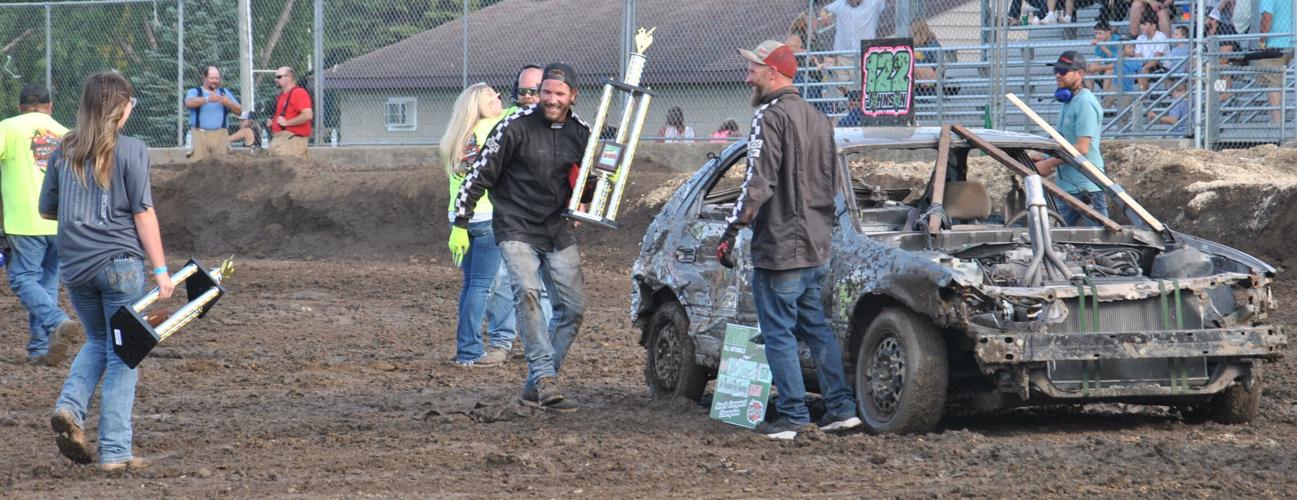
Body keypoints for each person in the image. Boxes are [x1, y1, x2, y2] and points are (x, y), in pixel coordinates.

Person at [718, 40, 861, 440]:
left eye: (754, 69)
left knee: (778, 330)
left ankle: (794, 416)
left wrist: (731, 230)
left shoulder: (769, 117)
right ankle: (841, 409)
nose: (748, 76)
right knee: (815, 326)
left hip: (781, 245)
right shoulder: (818, 118)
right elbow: (833, 184)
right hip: (816, 245)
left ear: (774, 74)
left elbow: (756, 183)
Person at [40, 70, 174, 471]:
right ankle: (116, 452)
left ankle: (70, 407)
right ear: (122, 108)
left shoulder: (64, 150)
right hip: (120, 265)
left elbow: (47, 209)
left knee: (100, 341)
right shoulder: (132, 149)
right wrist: (162, 270)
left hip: (76, 268)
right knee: (124, 355)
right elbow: (143, 212)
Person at [449, 63, 590, 412]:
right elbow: (478, 174)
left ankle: (535, 384)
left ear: (573, 96)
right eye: (546, 92)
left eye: (559, 94)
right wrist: (460, 220)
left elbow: (588, 178)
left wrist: (585, 202)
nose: (551, 99)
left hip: (556, 228)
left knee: (573, 308)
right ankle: (543, 377)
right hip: (515, 225)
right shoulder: (514, 126)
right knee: (527, 292)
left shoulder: (581, 131)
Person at [0, 84, 82, 366]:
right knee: (47, 284)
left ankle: (57, 321)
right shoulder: (67, 134)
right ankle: (40, 348)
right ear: (50, 106)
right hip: (61, 222)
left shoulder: (7, 128)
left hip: (24, 221)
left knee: (22, 279)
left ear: (20, 107)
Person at [439, 83, 516, 367]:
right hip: (485, 216)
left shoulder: (457, 136)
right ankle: (471, 351)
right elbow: (516, 112)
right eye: (490, 97)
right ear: (479, 106)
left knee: (471, 285)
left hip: (458, 218)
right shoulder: (493, 130)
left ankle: (466, 347)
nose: (498, 99)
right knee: (481, 287)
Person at [1032, 51, 1110, 226]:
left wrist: (1049, 164)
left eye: (1064, 71)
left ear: (1080, 74)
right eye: (1056, 70)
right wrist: (1044, 158)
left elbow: (1082, 148)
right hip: (1069, 186)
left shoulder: (1085, 103)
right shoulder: (1069, 101)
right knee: (1055, 240)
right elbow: (1064, 142)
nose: (1058, 74)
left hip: (1086, 187)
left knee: (1101, 240)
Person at [819, 0, 885, 103]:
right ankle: (840, 114)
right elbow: (825, 9)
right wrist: (823, 14)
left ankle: (859, 114)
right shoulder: (840, 4)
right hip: (842, 54)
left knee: (861, 88)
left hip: (863, 55)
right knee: (839, 88)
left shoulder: (873, 2)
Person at [183, 65, 242, 161]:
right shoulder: (195, 91)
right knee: (198, 166)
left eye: (217, 78)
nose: (214, 81)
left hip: (220, 135)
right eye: (211, 78)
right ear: (204, 77)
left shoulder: (224, 93)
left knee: (222, 166)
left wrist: (228, 102)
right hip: (199, 134)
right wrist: (207, 99)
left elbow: (239, 111)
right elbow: (188, 103)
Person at [1257, 0, 1293, 123]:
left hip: (1275, 44)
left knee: (1273, 84)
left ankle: (1278, 126)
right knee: (1279, 82)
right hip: (1292, 42)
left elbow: (1267, 18)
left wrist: (1262, 40)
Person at [269, 66, 312, 158]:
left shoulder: (299, 92)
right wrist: (273, 123)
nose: (276, 79)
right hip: (281, 140)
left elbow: (308, 115)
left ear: (289, 77)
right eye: (276, 77)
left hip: (291, 141)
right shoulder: (282, 95)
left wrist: (287, 123)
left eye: (279, 77)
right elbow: (286, 116)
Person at [1134, 18, 1171, 89]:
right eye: (1141, 24)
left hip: (1161, 65)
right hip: (1146, 64)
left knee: (1143, 71)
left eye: (1144, 24)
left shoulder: (1161, 36)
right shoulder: (1140, 38)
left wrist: (1143, 67)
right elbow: (1138, 57)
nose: (1141, 26)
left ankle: (1142, 95)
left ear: (1153, 26)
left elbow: (1156, 59)